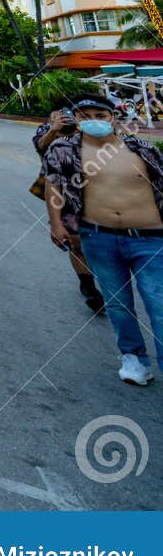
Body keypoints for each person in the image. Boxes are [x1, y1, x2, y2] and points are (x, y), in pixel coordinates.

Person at [42, 96, 163, 386]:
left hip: (150, 237)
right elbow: (53, 185)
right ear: (77, 119)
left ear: (112, 117)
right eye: (85, 115)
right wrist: (57, 223)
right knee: (117, 303)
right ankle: (134, 359)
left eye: (100, 113)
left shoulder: (142, 149)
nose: (93, 119)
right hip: (99, 237)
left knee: (158, 303)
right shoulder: (63, 149)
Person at [33, 107, 105, 312]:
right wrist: (53, 130)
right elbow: (41, 146)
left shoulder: (85, 132)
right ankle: (88, 285)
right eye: (58, 117)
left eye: (67, 116)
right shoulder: (45, 131)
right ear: (50, 119)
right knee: (75, 243)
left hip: (99, 194)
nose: (63, 119)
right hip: (64, 193)